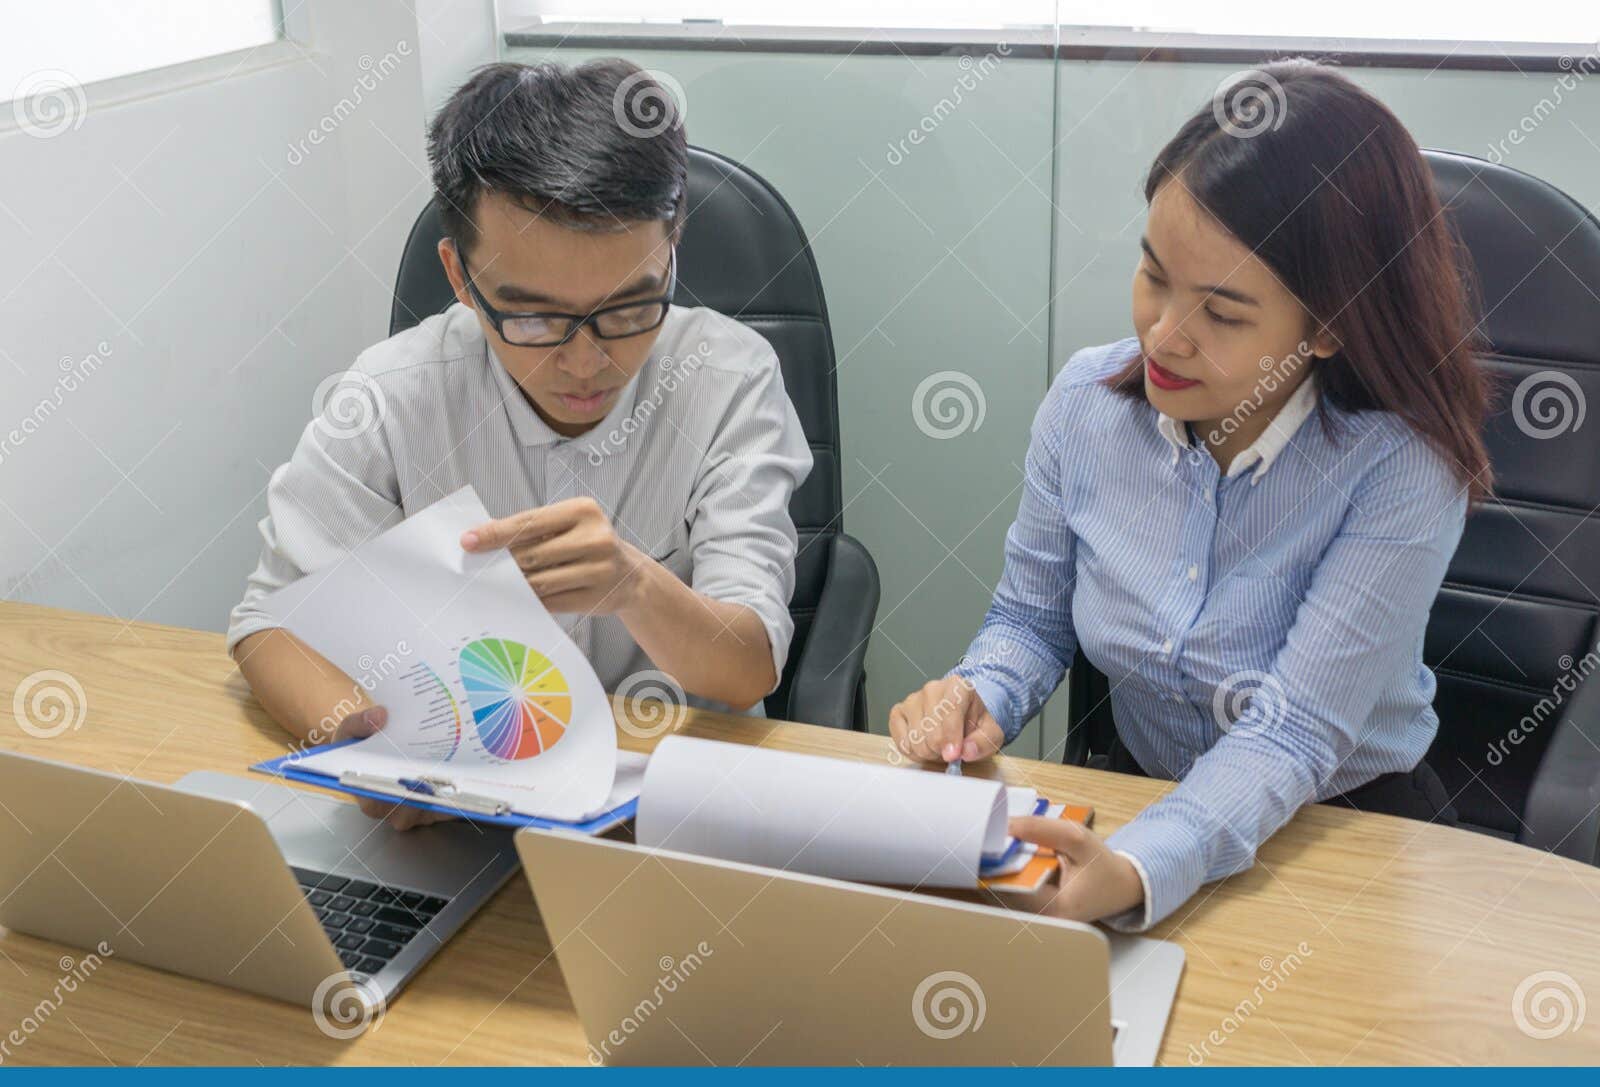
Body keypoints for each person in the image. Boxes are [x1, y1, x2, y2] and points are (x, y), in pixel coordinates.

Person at [890, 59, 1490, 930]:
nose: (1164, 336)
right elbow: (1030, 620)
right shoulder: (1085, 405)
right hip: (1140, 803)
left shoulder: (1402, 468)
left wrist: (1143, 864)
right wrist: (978, 696)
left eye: (1223, 313)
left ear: (1329, 325)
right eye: (1154, 275)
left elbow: (1291, 732)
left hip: (1342, 832)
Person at [230, 60, 811, 827]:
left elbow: (747, 667)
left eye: (630, 307)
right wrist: (368, 745)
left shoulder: (729, 379)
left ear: (673, 245)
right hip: (459, 816)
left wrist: (635, 585)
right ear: (460, 276)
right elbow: (268, 623)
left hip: (674, 809)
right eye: (534, 317)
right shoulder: (389, 396)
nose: (585, 360)